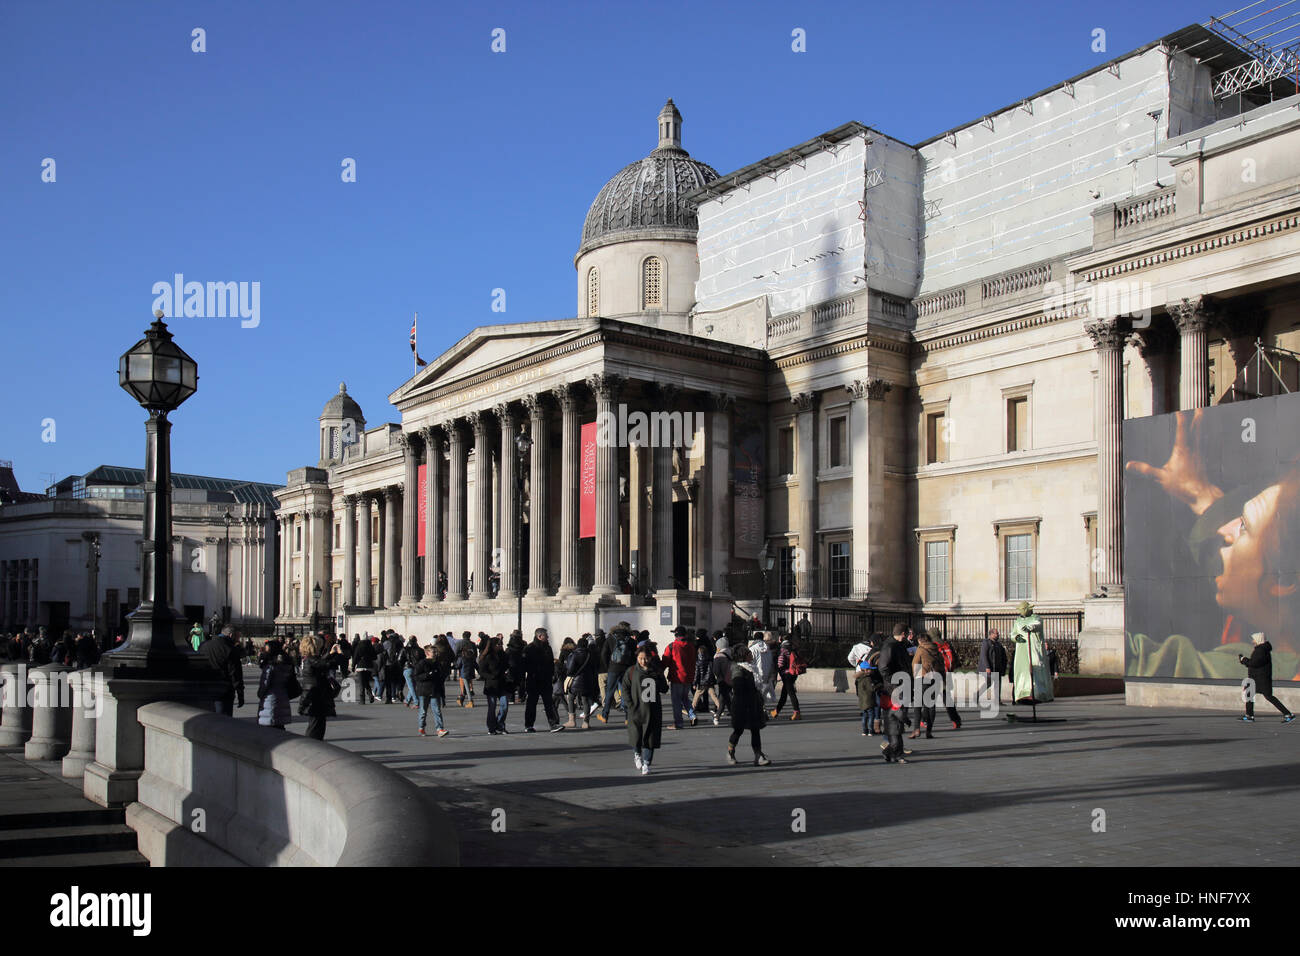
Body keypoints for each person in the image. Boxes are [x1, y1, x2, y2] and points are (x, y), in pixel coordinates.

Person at [621, 643, 669, 775]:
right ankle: (637, 754)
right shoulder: (631, 671)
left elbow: (665, 689)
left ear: (650, 658)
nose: (643, 661)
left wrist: (658, 678)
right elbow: (624, 688)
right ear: (637, 658)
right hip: (636, 709)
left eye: (646, 658)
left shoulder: (656, 671)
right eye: (641, 658)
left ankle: (647, 763)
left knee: (650, 738)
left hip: (652, 710)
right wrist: (630, 705)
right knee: (636, 736)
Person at [726, 643, 772, 767]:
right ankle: (731, 751)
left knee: (755, 729)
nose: (751, 654)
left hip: (753, 703)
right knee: (738, 730)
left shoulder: (752, 668)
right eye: (748, 653)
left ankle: (758, 755)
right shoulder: (738, 669)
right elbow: (737, 686)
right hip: (741, 704)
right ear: (743, 656)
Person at [1239, 632, 1296, 722]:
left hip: (1261, 679)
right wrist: (1245, 661)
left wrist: (1244, 660)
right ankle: (1249, 715)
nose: (1252, 641)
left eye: (1254, 639)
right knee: (1250, 695)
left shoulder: (1260, 650)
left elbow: (1254, 663)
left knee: (1269, 697)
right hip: (1257, 678)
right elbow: (1255, 663)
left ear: (1258, 640)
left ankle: (1288, 714)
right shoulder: (1262, 649)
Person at [523, 628, 565, 733]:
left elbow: (551, 663)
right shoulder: (529, 648)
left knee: (549, 703)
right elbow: (524, 665)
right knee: (532, 703)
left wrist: (552, 675)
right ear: (539, 636)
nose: (548, 637)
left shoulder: (548, 648)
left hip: (546, 680)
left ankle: (553, 724)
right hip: (533, 680)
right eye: (546, 635)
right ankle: (529, 725)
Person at [298, 635, 338, 740]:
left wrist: (330, 654)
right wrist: (339, 655)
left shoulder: (309, 659)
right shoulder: (311, 660)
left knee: (317, 725)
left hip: (314, 696)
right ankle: (310, 747)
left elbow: (321, 662)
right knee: (316, 727)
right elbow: (325, 664)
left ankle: (312, 745)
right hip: (315, 697)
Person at [201, 625, 244, 715]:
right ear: (231, 635)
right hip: (223, 689)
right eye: (238, 637)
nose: (238, 640)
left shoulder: (204, 646)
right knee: (223, 719)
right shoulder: (230, 649)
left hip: (206, 688)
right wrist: (240, 693)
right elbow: (235, 673)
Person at [598, 624, 636, 724]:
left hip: (613, 669)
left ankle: (605, 716)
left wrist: (608, 666)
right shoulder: (630, 640)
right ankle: (628, 718)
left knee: (609, 692)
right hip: (626, 669)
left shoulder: (610, 638)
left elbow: (603, 654)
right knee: (626, 692)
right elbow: (634, 655)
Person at [661, 626, 697, 729]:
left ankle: (678, 723)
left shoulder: (672, 646)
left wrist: (659, 672)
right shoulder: (691, 646)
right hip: (688, 677)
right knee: (685, 698)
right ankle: (692, 715)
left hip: (677, 677)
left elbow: (665, 661)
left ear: (676, 635)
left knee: (676, 701)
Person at [257, 645, 298, 730]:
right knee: (279, 725)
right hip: (283, 696)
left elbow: (264, 684)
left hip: (270, 698)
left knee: (270, 725)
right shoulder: (287, 665)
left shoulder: (270, 666)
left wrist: (260, 694)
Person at [413, 643, 450, 737]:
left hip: (435, 690)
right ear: (427, 653)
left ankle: (440, 729)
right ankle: (421, 727)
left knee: (437, 710)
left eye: (436, 651)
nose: (436, 653)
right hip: (424, 690)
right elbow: (416, 676)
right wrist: (428, 675)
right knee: (423, 711)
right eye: (433, 652)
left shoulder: (437, 663)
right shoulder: (422, 663)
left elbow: (440, 678)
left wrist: (442, 693)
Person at [564, 636, 599, 729]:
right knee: (585, 700)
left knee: (571, 698)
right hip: (588, 680)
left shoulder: (575, 654)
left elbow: (570, 669)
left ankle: (571, 721)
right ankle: (586, 722)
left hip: (576, 681)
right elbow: (595, 668)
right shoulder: (591, 654)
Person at [479, 636, 510, 734]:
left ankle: (500, 725)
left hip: (502, 684)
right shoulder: (487, 656)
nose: (501, 646)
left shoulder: (503, 655)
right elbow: (482, 671)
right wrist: (491, 676)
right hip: (491, 685)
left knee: (504, 706)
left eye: (501, 644)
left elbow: (508, 665)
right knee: (492, 707)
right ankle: (491, 727)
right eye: (498, 644)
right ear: (493, 645)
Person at [772, 638, 805, 720]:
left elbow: (780, 663)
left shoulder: (782, 651)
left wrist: (779, 671)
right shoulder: (793, 651)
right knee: (784, 694)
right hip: (793, 674)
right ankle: (776, 711)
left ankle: (797, 712)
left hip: (786, 675)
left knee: (791, 694)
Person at [978, 629, 1007, 710]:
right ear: (991, 634)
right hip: (990, 668)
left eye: (998, 633)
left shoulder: (998, 644)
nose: (998, 635)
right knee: (989, 683)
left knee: (998, 684)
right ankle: (977, 695)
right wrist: (987, 667)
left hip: (997, 668)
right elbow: (984, 656)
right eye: (996, 633)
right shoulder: (986, 643)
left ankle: (998, 700)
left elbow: (1002, 656)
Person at [709, 636, 733, 725]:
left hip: (722, 679)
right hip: (731, 678)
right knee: (725, 697)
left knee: (724, 697)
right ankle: (719, 715)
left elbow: (715, 670)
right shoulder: (731, 654)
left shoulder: (718, 656)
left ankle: (718, 716)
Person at [748, 631, 776, 708]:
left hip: (756, 675)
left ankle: (759, 712)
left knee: (755, 696)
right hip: (766, 674)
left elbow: (750, 662)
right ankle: (762, 711)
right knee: (762, 696)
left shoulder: (752, 648)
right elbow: (771, 662)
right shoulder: (767, 648)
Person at [351, 632, 377, 704]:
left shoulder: (359, 646)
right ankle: (370, 694)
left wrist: (353, 666)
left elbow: (355, 657)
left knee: (361, 683)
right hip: (369, 667)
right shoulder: (370, 646)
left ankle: (362, 700)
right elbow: (375, 657)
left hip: (360, 666)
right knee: (366, 682)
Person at [506, 631, 527, 705]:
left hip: (511, 665)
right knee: (521, 682)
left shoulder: (511, 644)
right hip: (521, 665)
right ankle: (521, 697)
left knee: (511, 681)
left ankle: (511, 698)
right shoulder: (523, 644)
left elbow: (507, 655)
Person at [457, 636, 479, 707]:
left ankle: (470, 701)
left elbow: (458, 665)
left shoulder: (462, 658)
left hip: (464, 674)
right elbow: (476, 666)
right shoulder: (472, 657)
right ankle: (460, 699)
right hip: (471, 673)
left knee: (466, 688)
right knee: (466, 688)